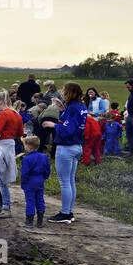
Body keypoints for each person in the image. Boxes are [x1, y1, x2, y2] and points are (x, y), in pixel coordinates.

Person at [48, 82, 87, 224]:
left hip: (66, 147)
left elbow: (67, 130)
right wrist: (62, 110)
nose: (63, 93)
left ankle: (65, 213)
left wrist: (53, 124)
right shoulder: (81, 106)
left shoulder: (72, 108)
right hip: (77, 146)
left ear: (70, 92)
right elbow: (73, 124)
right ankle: (69, 212)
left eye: (64, 90)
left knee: (64, 182)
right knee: (70, 181)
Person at [0, 92, 23, 216]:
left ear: (0, 102)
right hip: (10, 146)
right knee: (3, 177)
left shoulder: (3, 114)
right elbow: (20, 133)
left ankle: (6, 207)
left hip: (0, 147)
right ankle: (3, 206)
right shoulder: (17, 114)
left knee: (0, 180)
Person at [19, 135, 50, 226]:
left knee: (30, 200)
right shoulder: (44, 157)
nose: (24, 147)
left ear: (29, 146)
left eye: (25, 145)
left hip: (30, 181)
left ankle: (29, 220)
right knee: (40, 199)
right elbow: (47, 169)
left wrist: (23, 183)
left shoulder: (26, 159)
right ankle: (40, 221)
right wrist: (44, 177)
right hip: (40, 180)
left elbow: (24, 173)